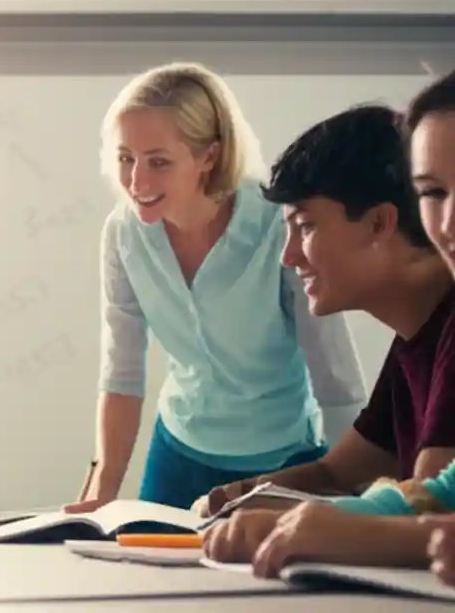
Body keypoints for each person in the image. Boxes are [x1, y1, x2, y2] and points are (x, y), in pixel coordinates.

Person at [67, 62, 367, 513]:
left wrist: (359, 495)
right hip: (179, 452)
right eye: (126, 158)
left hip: (283, 458)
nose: (137, 182)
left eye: (159, 162)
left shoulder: (276, 224)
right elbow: (122, 372)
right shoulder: (124, 233)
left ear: (209, 156)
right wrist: (101, 492)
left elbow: (335, 377)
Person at [202, 79, 455, 579]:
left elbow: (428, 502)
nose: (288, 256)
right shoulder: (416, 337)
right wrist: (252, 498)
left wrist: (315, 521)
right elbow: (345, 472)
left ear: (381, 224)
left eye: (306, 226)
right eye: (431, 193)